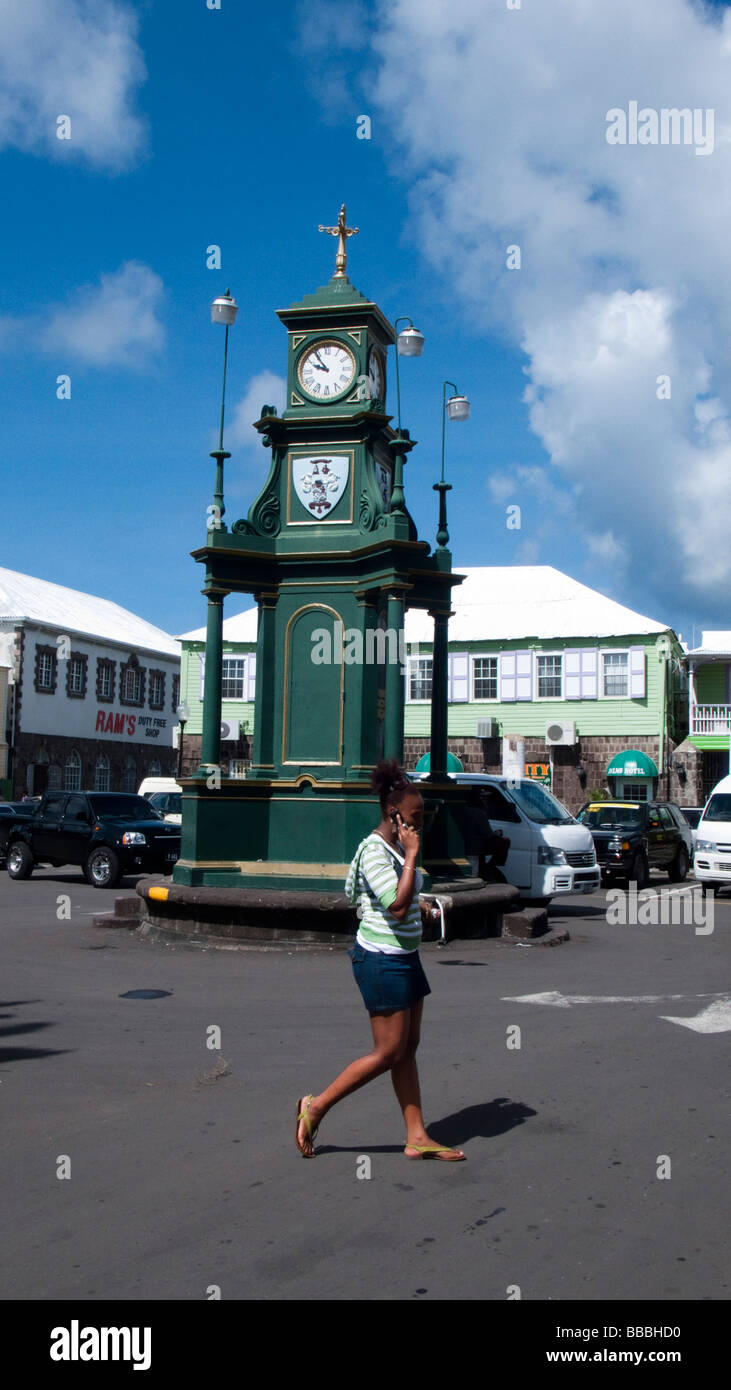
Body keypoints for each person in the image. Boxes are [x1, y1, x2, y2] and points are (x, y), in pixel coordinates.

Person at [295, 759, 465, 1162]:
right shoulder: (375, 850)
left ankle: (417, 1135)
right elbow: (394, 905)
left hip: (406, 956)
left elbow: (405, 901)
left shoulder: (395, 847)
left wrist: (421, 904)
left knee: (408, 1048)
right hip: (381, 960)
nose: (420, 823)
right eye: (415, 817)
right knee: (387, 1052)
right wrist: (411, 857)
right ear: (394, 816)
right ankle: (315, 1107)